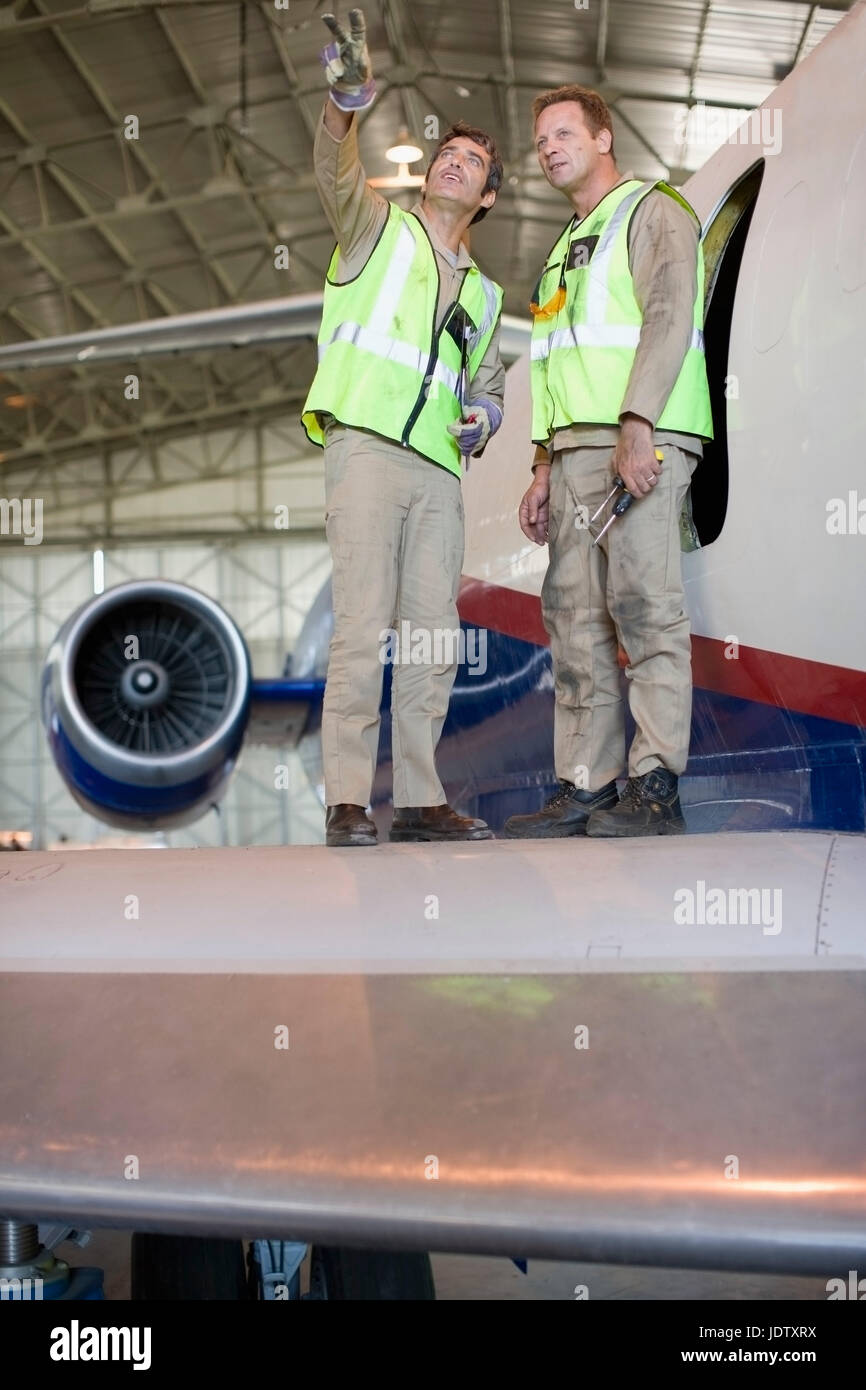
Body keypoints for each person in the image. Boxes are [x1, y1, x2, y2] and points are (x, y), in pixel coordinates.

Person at [302, 10, 506, 846]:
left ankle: (420, 800)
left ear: (487, 198)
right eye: (448, 156)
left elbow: (488, 384)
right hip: (365, 453)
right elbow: (333, 171)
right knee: (362, 625)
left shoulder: (489, 296)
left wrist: (485, 417)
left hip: (437, 474)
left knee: (432, 636)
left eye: (474, 164)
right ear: (429, 177)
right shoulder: (374, 230)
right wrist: (345, 105)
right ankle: (348, 800)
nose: (456, 165)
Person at [505, 84, 713, 840]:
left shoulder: (652, 210)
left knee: (645, 606)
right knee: (574, 620)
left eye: (565, 133)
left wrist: (637, 423)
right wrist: (538, 464)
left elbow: (667, 314)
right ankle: (587, 784)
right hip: (570, 455)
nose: (551, 148)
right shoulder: (561, 249)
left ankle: (656, 783)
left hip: (638, 435)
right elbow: (553, 365)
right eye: (542, 140)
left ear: (602, 139)